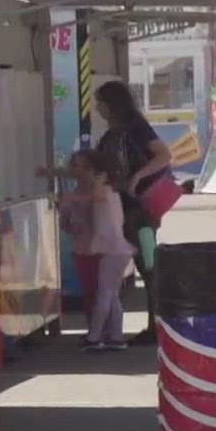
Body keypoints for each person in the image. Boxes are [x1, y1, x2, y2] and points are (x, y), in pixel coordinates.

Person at [92, 80, 174, 345]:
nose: (98, 108)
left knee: (149, 265)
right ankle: (145, 326)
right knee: (138, 264)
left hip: (141, 209)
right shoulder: (111, 134)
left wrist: (138, 177)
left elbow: (163, 155)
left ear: (113, 104)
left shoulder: (136, 128)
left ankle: (157, 327)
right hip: (121, 209)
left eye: (101, 103)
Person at [58, 148, 132, 351]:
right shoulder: (109, 191)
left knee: (103, 294)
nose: (73, 170)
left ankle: (95, 336)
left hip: (104, 248)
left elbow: (92, 196)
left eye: (80, 166)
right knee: (109, 294)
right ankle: (114, 336)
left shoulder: (102, 192)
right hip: (102, 248)